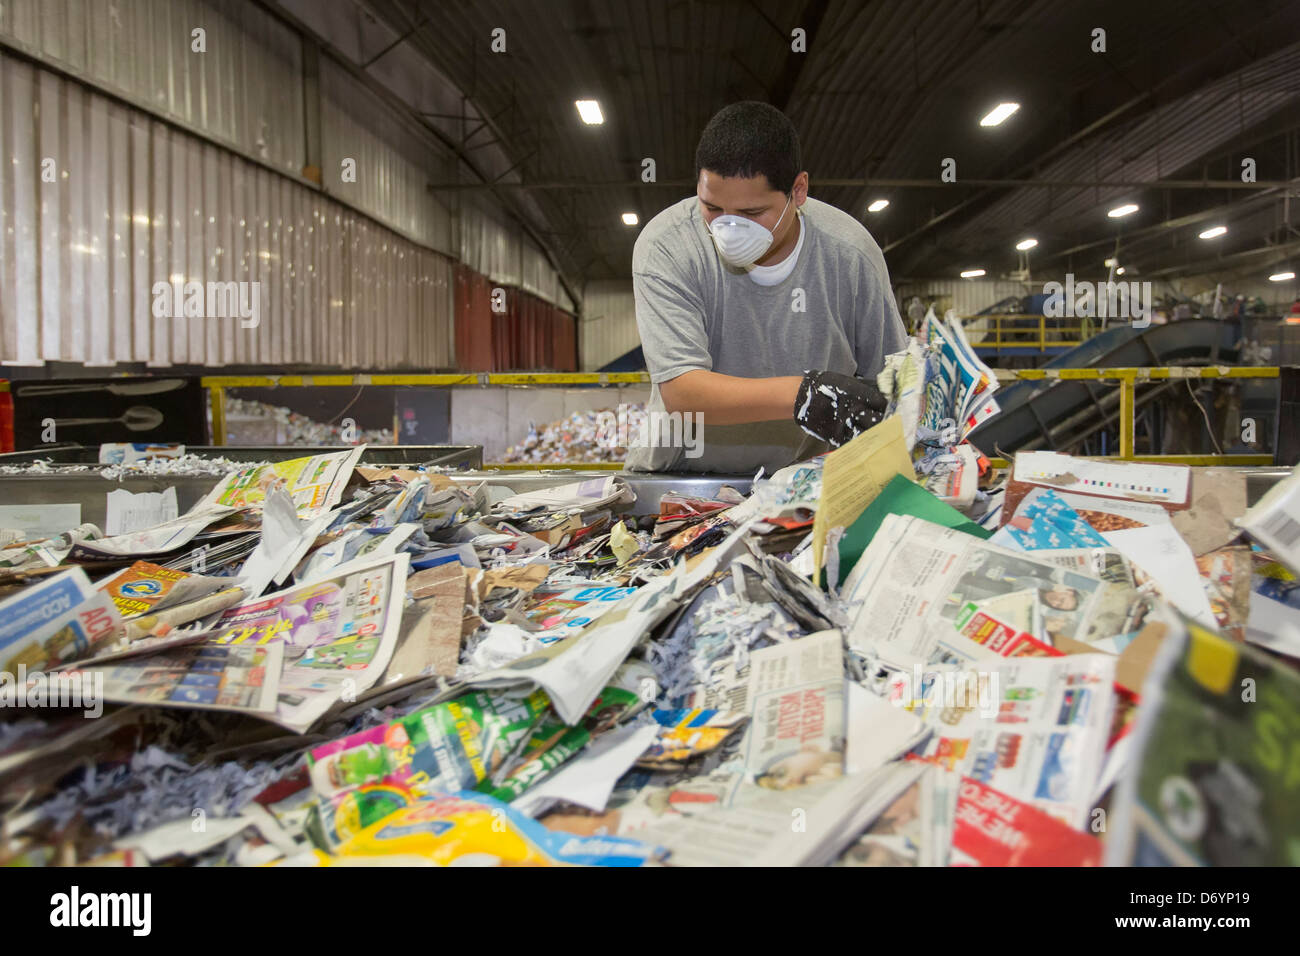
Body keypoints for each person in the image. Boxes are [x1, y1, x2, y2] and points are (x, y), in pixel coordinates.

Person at [626, 101, 907, 473]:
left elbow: (891, 378)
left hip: (796, 479)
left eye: (752, 213)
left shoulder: (849, 256)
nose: (728, 229)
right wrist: (804, 393)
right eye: (711, 208)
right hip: (683, 477)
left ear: (799, 190)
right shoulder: (668, 247)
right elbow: (683, 391)